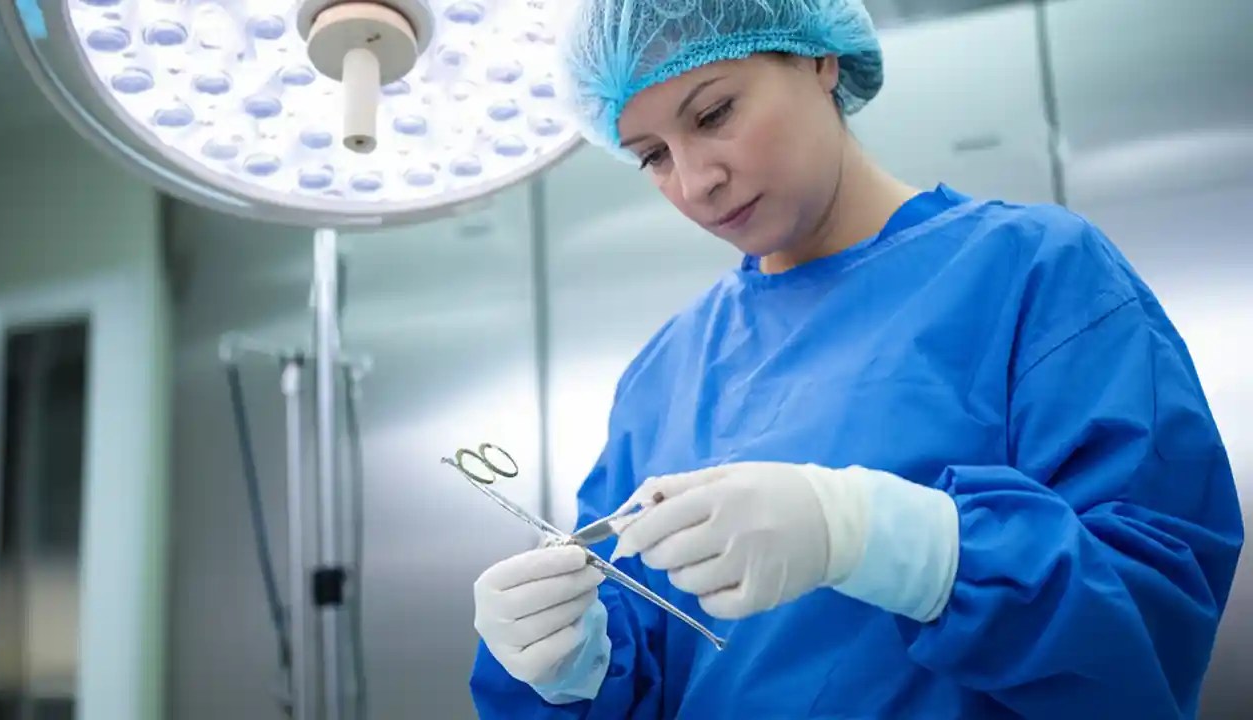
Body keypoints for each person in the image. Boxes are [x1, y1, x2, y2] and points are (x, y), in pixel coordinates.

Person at [468, 0, 1244, 717]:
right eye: (651, 157)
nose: (696, 182)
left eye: (714, 113)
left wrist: (882, 539)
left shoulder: (1034, 272)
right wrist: (570, 663)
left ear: (818, 61)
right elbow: (648, 657)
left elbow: (1150, 615)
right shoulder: (665, 373)